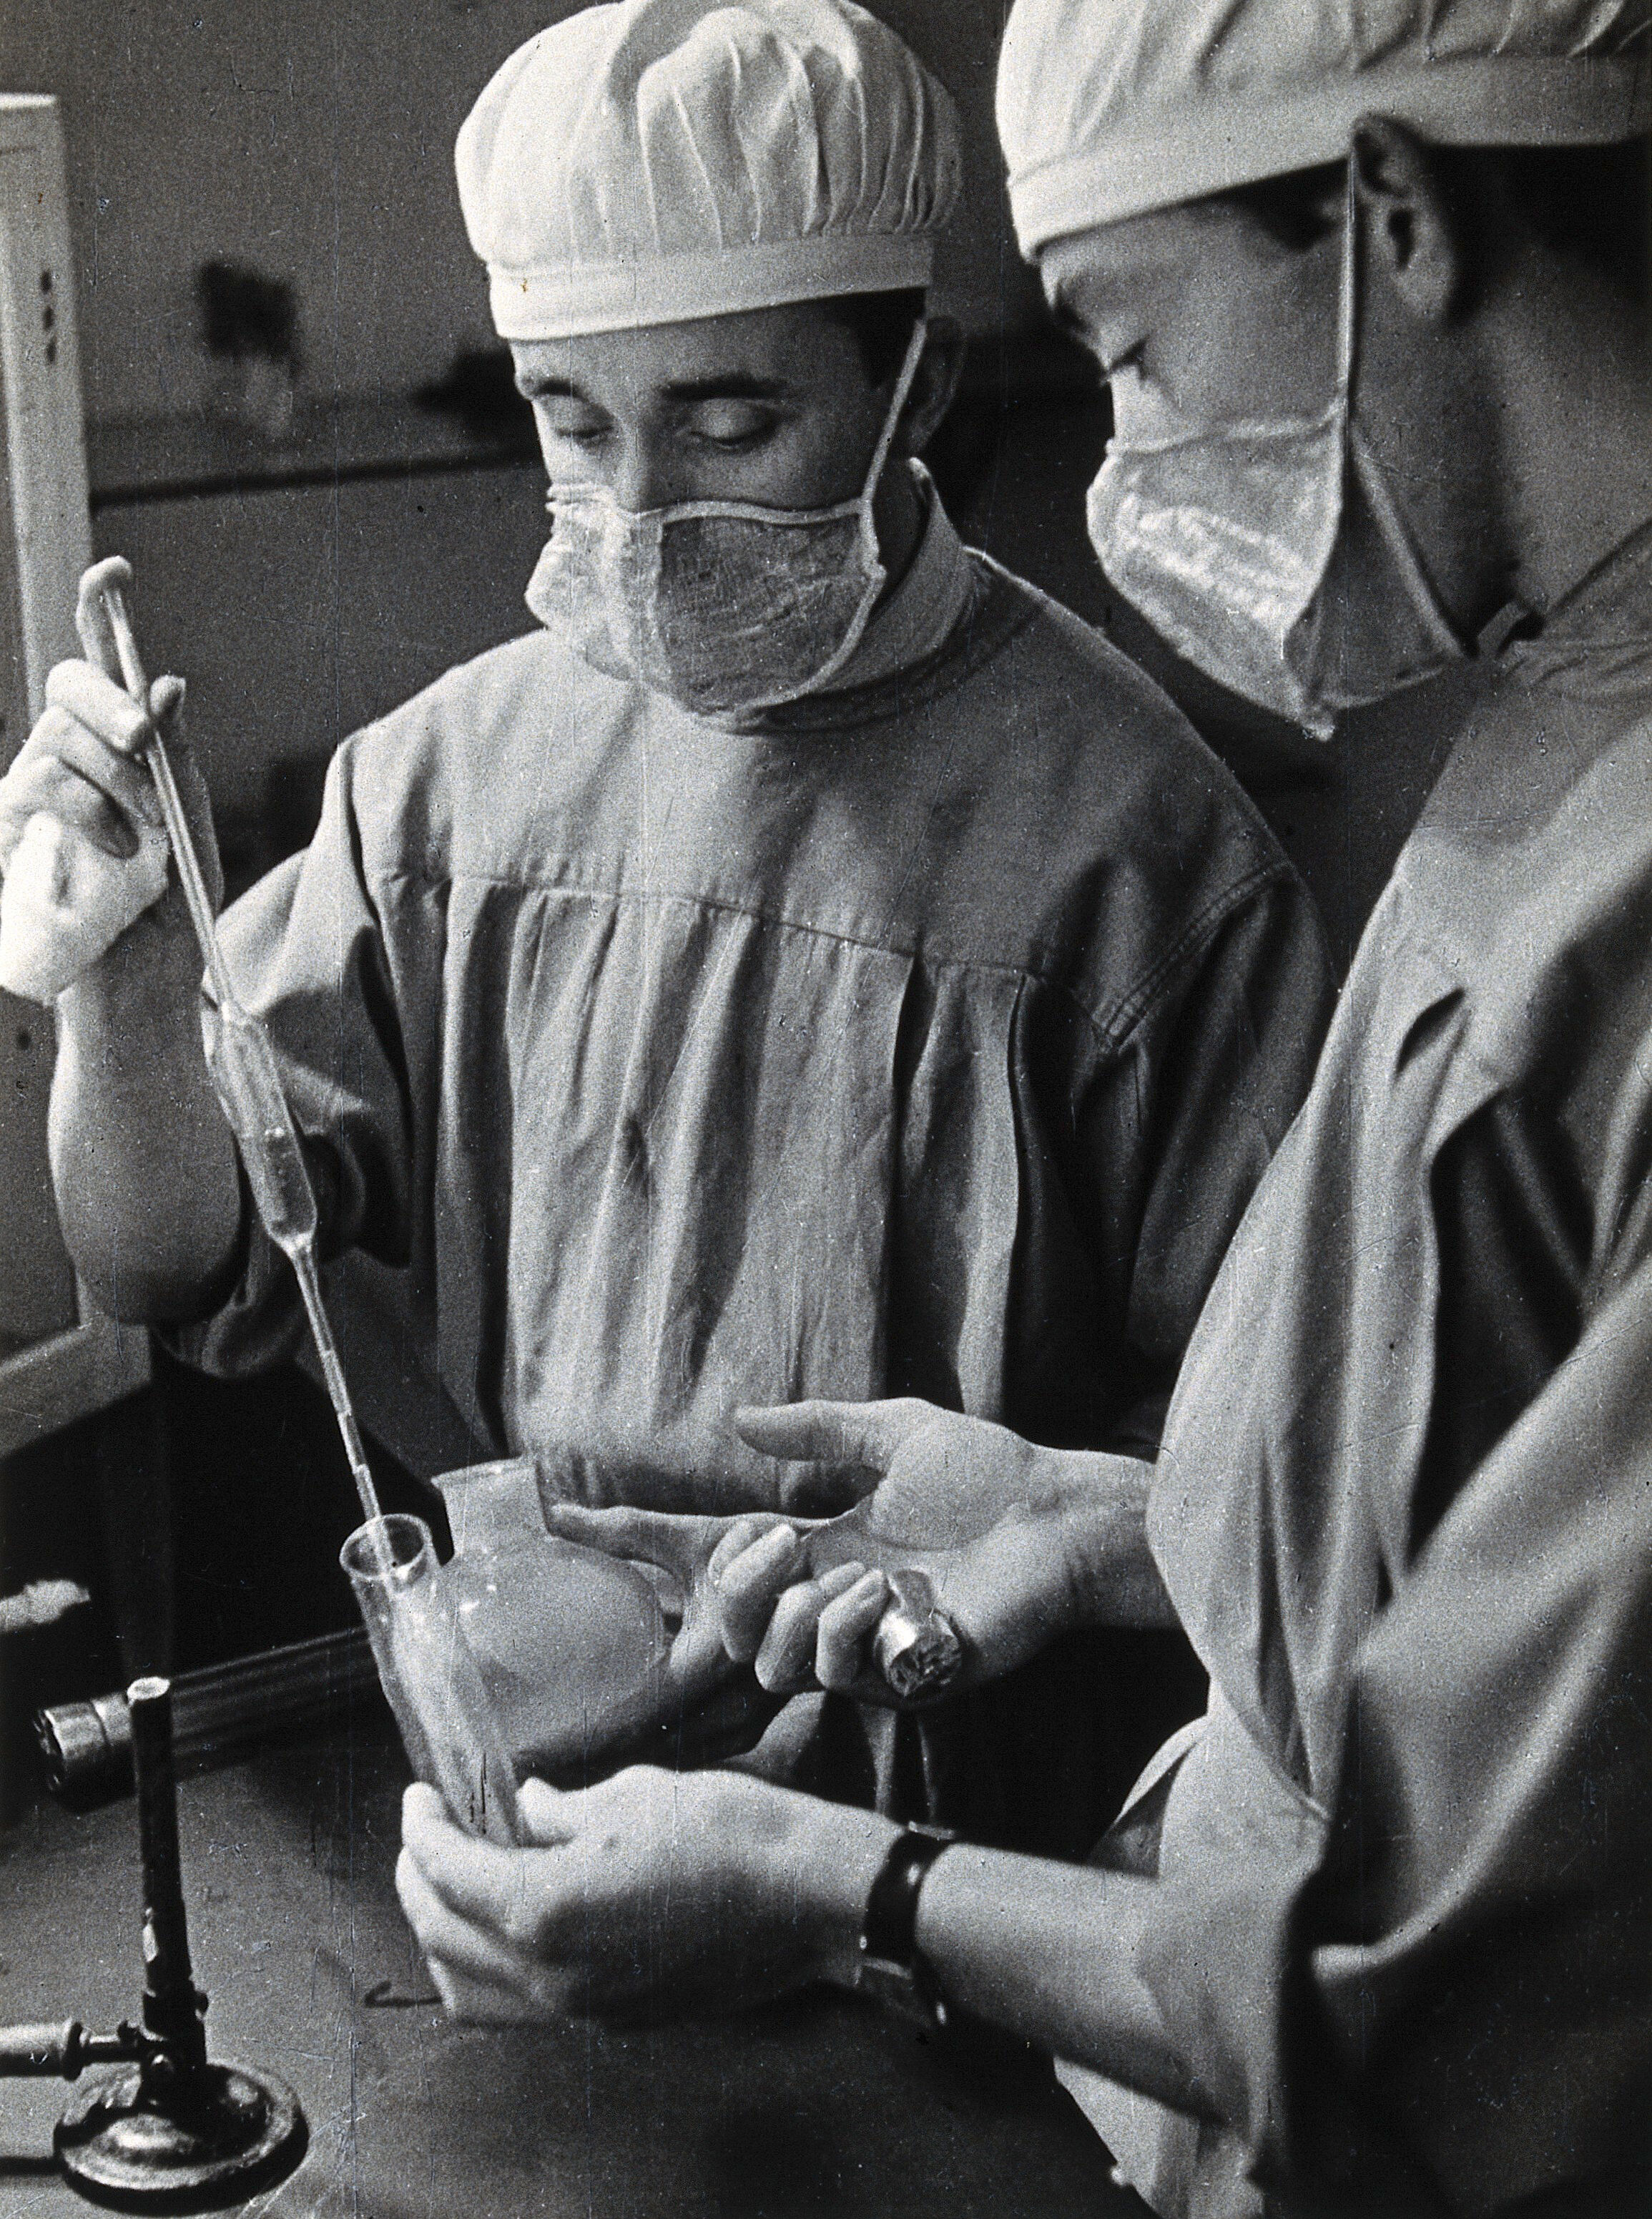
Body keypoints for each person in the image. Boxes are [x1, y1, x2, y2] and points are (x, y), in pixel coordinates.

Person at [395, 1, 1652, 2212]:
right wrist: (1088, 1521)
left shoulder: (1564, 873)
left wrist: (832, 1882)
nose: (1134, 459)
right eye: (575, 425)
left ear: (1395, 214)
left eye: (1133, 352)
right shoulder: (1550, 730)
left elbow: (1462, 1979)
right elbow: (1441, 1520)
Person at [0, 0, 1329, 1853]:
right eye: (574, 422)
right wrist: (128, 982)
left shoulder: (1141, 859)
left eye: (732, 421)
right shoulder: (455, 784)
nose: (639, 520)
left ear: (917, 388)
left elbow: (1279, 1521)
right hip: (537, 1804)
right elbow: (167, 1261)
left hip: (966, 1870)